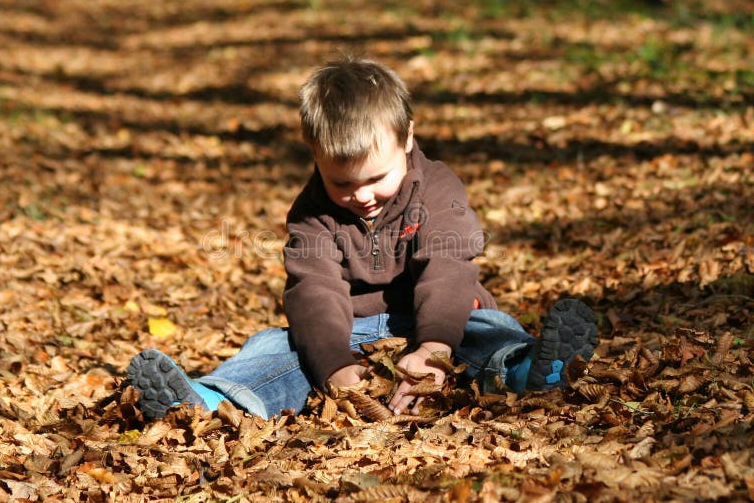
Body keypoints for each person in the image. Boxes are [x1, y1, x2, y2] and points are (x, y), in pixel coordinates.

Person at [127, 57, 598, 420]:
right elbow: (314, 290)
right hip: (349, 329)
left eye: (376, 178)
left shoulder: (437, 188)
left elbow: (447, 266)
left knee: (489, 329)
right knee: (273, 348)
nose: (363, 196)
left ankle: (527, 369)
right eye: (342, 184)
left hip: (438, 320)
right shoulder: (312, 212)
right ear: (314, 153)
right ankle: (208, 400)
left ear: (407, 138)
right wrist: (335, 366)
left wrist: (434, 347)